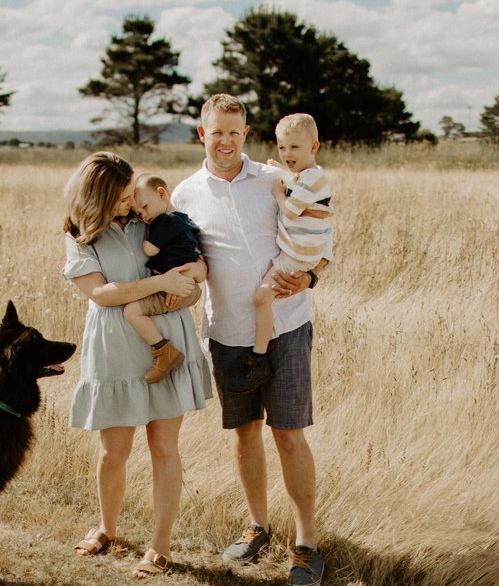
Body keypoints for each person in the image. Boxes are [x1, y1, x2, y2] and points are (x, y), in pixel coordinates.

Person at [173, 95, 332, 586]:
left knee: (288, 434)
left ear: (246, 134)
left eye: (235, 132)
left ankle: (306, 543)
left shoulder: (274, 179)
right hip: (227, 334)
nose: (226, 140)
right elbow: (185, 258)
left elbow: (322, 236)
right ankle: (257, 524)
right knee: (244, 434)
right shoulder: (184, 194)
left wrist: (311, 278)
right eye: (217, 131)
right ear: (202, 133)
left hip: (285, 325)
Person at [62, 151, 214, 580]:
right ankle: (107, 528)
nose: (130, 204)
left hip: (166, 337)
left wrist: (195, 273)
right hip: (114, 347)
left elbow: (194, 263)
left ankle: (160, 546)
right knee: (113, 452)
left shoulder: (152, 217)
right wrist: (162, 282)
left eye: (132, 195)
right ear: (98, 197)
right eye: (122, 198)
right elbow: (103, 294)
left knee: (164, 448)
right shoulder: (78, 234)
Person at [251, 113, 333, 373]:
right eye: (283, 146)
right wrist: (285, 170)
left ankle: (259, 354)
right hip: (301, 253)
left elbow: (290, 210)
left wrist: (278, 192)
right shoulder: (309, 176)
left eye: (295, 147)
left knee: (261, 298)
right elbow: (299, 184)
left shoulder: (312, 179)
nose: (287, 152)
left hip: (296, 257)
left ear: (314, 147)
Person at [124, 173, 204, 384]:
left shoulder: (165, 221)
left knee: (131, 311)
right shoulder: (184, 219)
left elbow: (149, 249)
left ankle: (163, 351)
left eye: (144, 207)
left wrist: (143, 237)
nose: (143, 215)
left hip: (178, 285)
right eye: (138, 213)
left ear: (161, 193)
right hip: (187, 284)